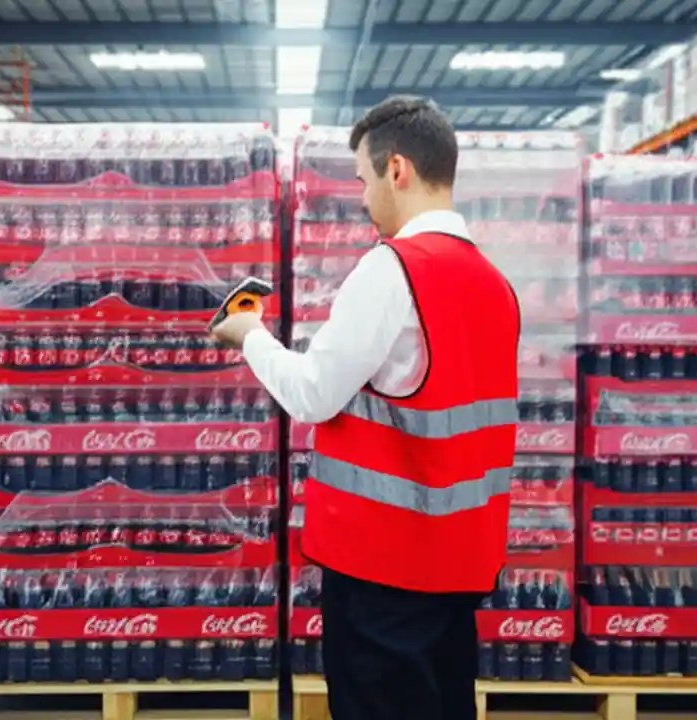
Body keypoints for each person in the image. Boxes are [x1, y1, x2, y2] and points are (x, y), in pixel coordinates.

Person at [211, 96, 521, 720]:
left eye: (362, 180)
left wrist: (250, 336)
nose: (362, 198)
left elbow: (313, 393)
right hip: (461, 563)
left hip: (386, 571)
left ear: (397, 170)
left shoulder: (393, 270)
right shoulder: (495, 282)